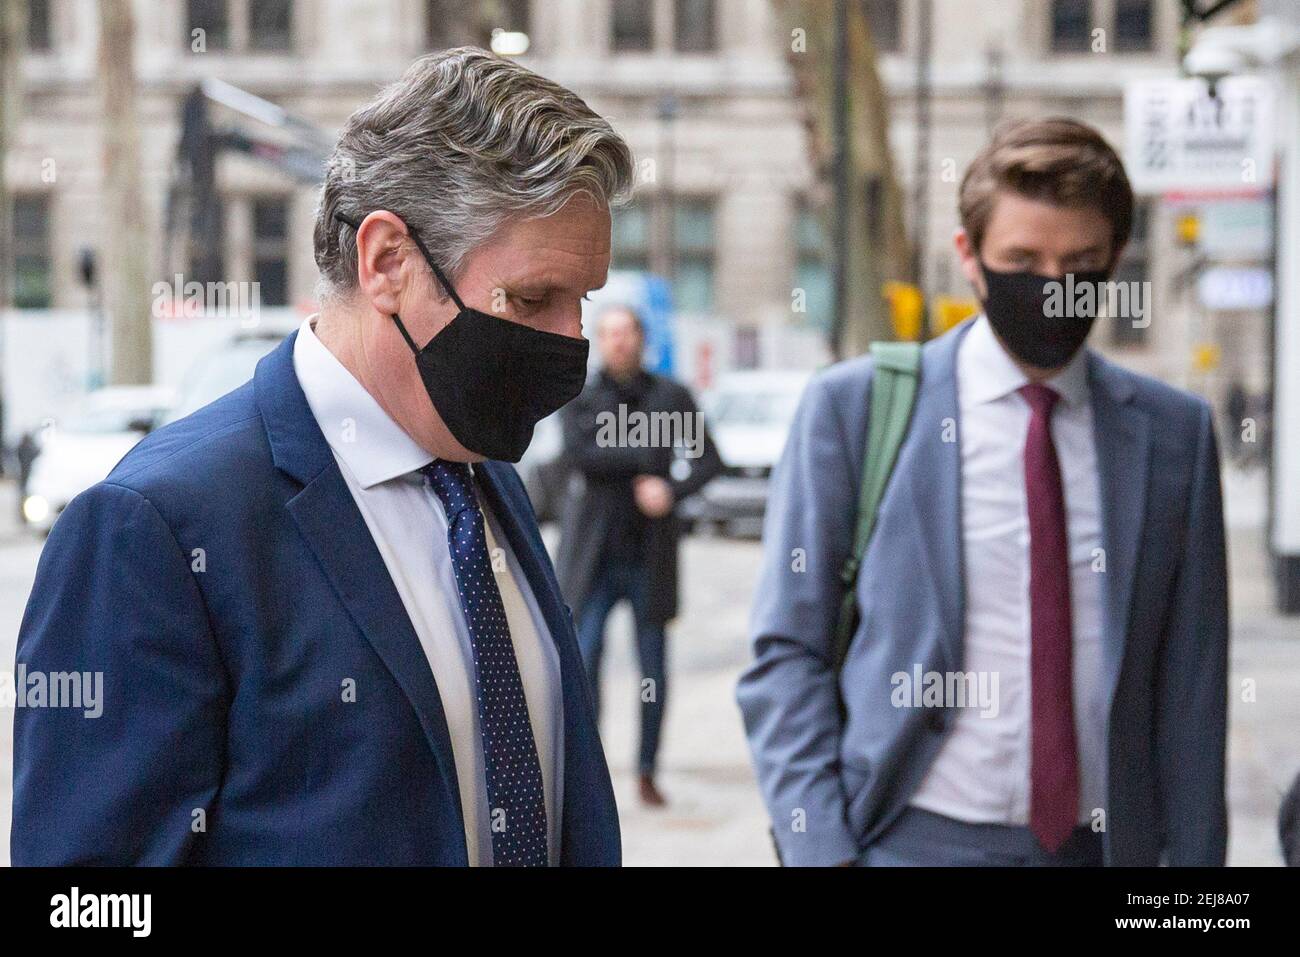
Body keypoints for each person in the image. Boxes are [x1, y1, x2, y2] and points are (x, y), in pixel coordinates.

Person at [12, 48, 634, 866]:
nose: (572, 340)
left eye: (582, 301)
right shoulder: (156, 528)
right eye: (530, 299)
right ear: (386, 261)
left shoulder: (487, 482)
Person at [738, 118, 1229, 867]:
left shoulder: (1174, 434)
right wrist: (821, 851)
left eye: (1080, 262)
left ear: (1116, 260)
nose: (1054, 287)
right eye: (1023, 260)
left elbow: (1193, 687)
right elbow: (786, 649)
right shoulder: (855, 408)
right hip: (909, 838)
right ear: (969, 257)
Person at [556, 305, 721, 806]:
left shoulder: (671, 396)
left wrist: (671, 487)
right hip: (595, 556)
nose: (619, 342)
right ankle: (588, 774)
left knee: (653, 670)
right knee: (584, 662)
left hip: (649, 555)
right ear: (599, 341)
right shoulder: (581, 395)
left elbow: (709, 459)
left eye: (627, 333)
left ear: (642, 339)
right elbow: (580, 454)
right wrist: (647, 455)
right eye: (609, 334)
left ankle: (647, 771)